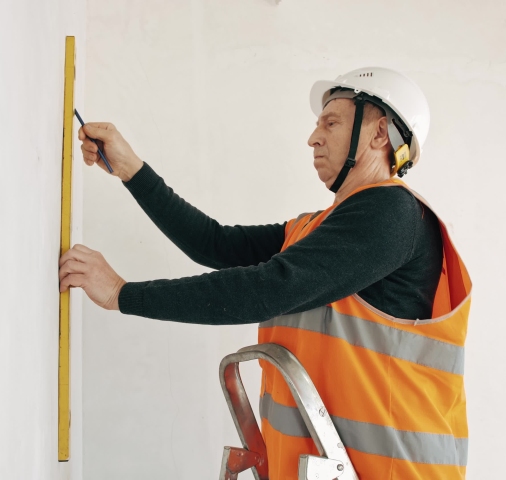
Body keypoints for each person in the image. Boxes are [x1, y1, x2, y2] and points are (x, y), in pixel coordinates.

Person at [59, 67, 472, 479]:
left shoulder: (392, 214)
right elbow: (215, 243)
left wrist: (122, 294)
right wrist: (132, 169)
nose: (314, 137)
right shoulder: (320, 229)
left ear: (380, 134)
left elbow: (269, 288)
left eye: (331, 122)